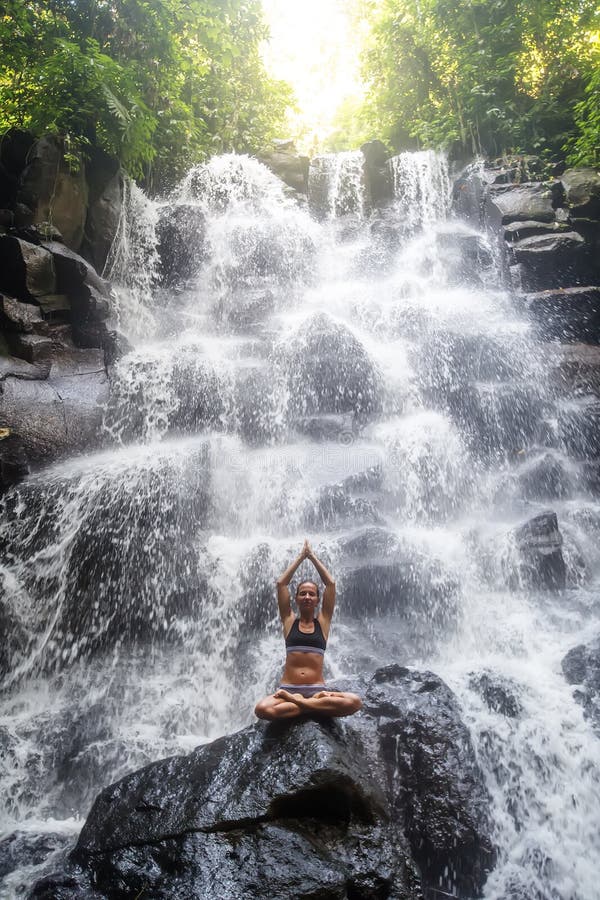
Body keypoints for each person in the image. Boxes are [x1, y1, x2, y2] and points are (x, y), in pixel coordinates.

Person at [254, 540, 362, 720]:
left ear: (318, 600)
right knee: (262, 709)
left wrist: (312, 557)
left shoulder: (323, 622)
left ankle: (297, 704)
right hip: (290, 689)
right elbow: (281, 584)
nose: (307, 597)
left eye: (312, 594)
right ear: (295, 598)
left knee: (355, 702)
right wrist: (300, 557)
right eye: (302, 593)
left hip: (316, 690)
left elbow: (331, 585)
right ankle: (314, 707)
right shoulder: (289, 621)